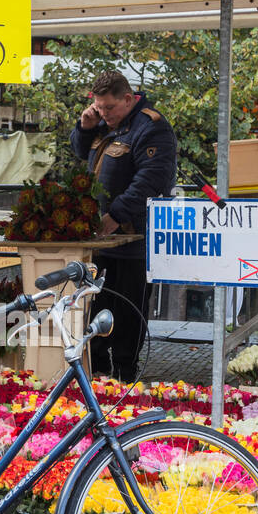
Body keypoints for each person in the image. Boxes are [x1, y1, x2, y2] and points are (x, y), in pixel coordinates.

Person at [69, 69, 178, 382]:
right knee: (97, 304)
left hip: (135, 238)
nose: (105, 114)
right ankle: (99, 370)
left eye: (110, 108)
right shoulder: (103, 124)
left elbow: (150, 181)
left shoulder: (152, 127)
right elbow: (80, 153)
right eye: (99, 108)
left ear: (129, 99)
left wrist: (114, 217)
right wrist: (84, 127)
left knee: (129, 309)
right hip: (102, 238)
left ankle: (126, 372)